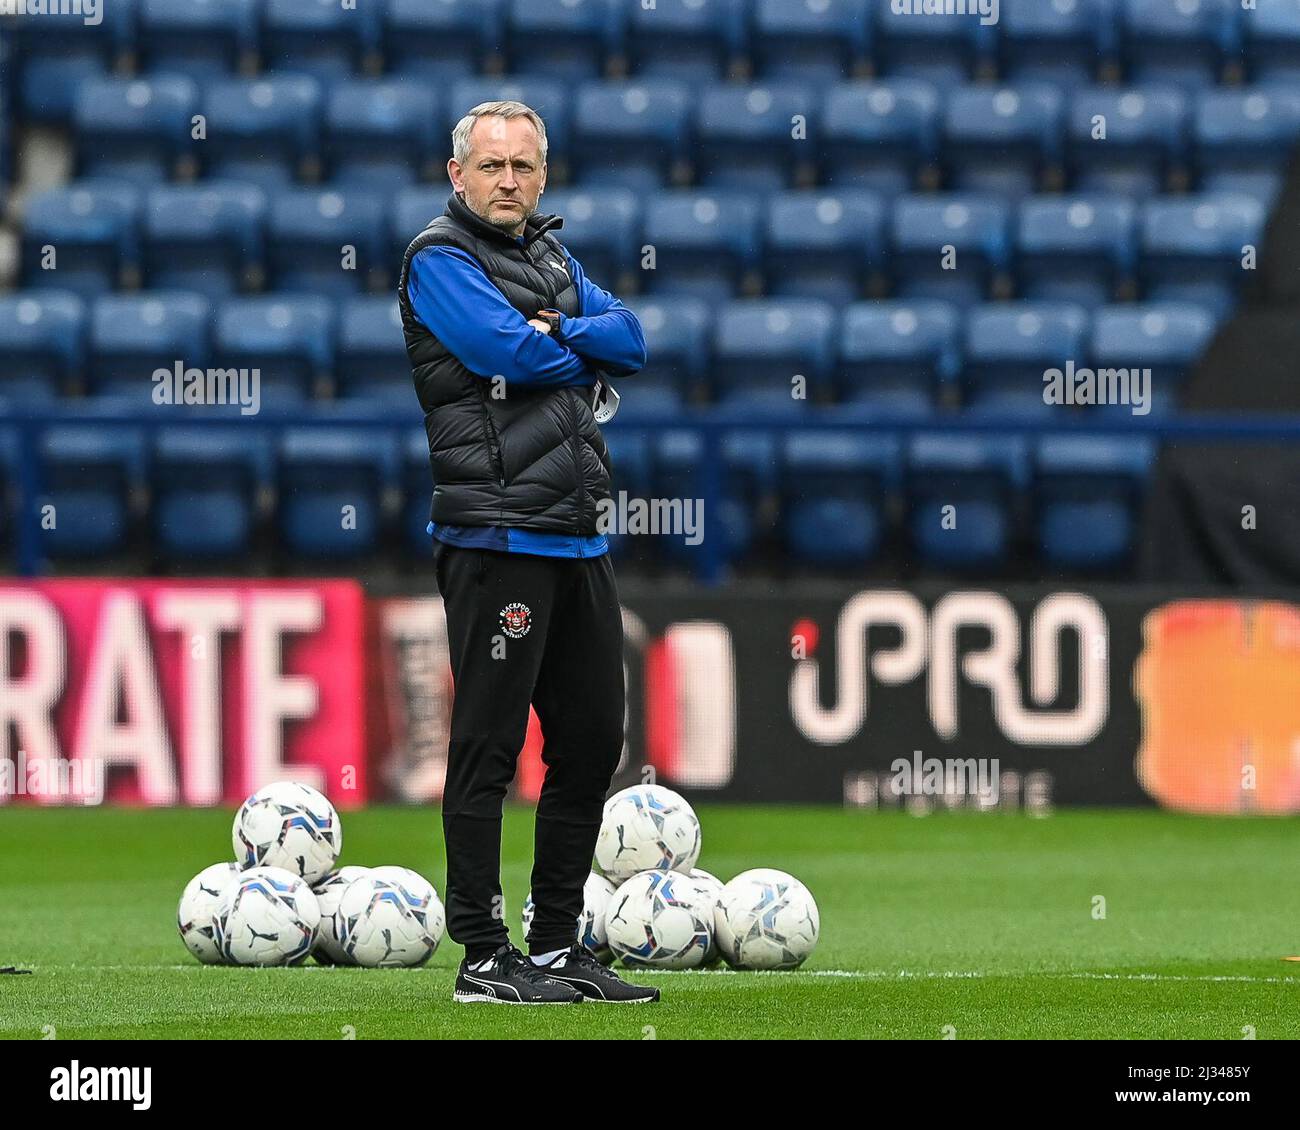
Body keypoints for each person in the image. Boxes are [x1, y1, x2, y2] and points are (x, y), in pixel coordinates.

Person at [397, 100, 658, 1004]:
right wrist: (566, 342)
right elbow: (502, 350)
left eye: (523, 166)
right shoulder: (438, 257)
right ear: (457, 174)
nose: (508, 181)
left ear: (543, 176)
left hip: (577, 532)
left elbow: (633, 339)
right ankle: (481, 954)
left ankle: (553, 946)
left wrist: (564, 334)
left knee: (591, 741)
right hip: (495, 531)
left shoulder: (552, 257)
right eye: (492, 165)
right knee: (489, 746)